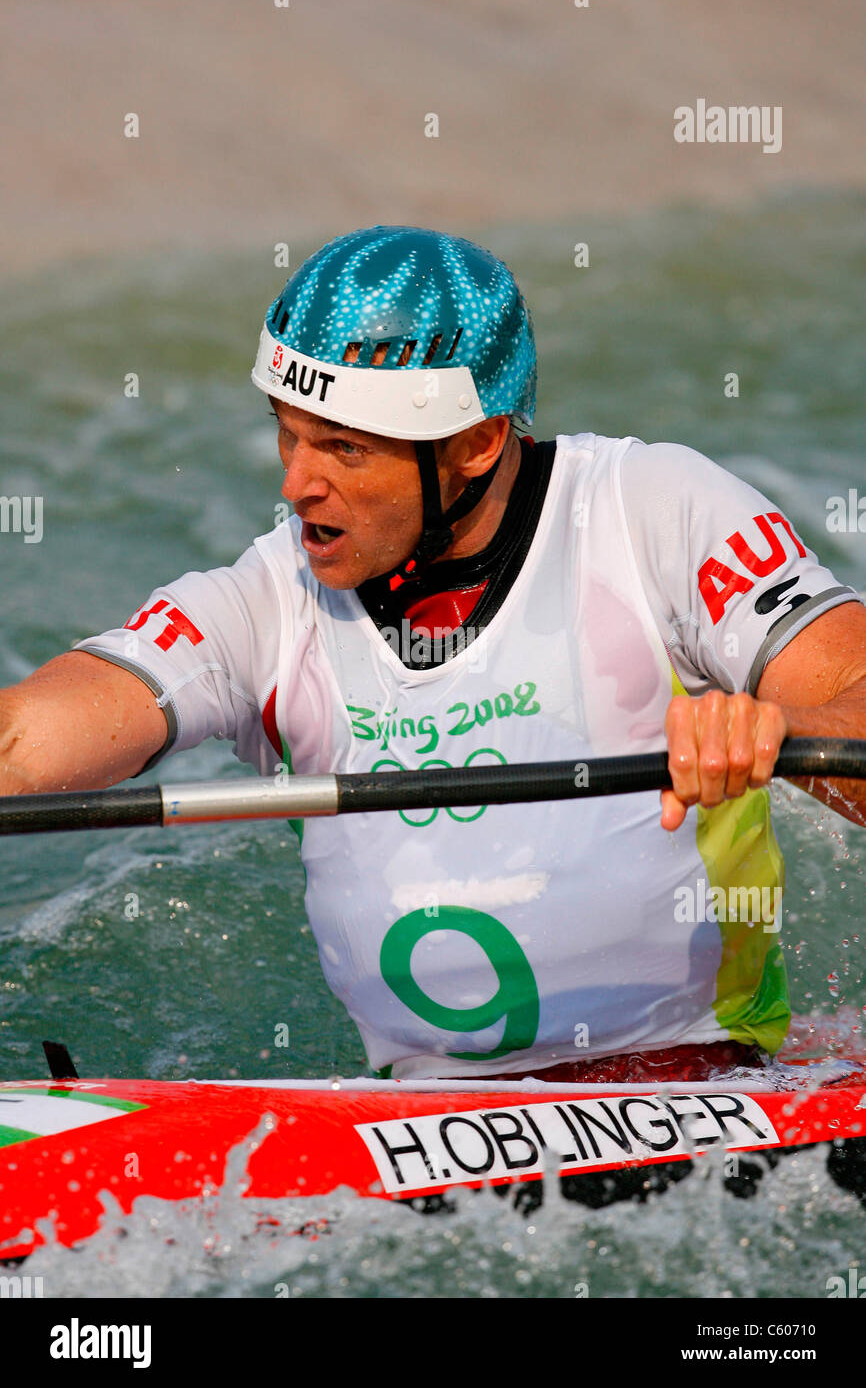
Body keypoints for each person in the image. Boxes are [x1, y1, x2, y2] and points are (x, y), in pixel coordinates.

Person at [3, 226, 866, 1201]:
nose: (295, 484)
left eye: (342, 448)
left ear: (473, 442)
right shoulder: (267, 597)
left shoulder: (647, 510)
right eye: (287, 434)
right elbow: (27, 743)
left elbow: (854, 692)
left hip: (709, 1093)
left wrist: (780, 739)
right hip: (420, 1125)